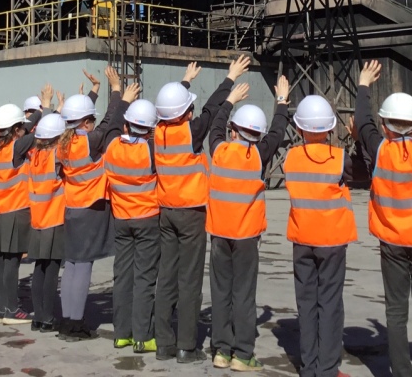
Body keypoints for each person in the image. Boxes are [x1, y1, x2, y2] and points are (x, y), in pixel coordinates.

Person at [352, 53, 412, 377]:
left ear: (384, 126)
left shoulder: (380, 151)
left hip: (392, 243)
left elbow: (362, 122)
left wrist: (363, 85)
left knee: (395, 312)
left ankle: (402, 372)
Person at [153, 56, 246, 363]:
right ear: (185, 113)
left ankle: (164, 344)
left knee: (166, 276)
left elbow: (174, 108)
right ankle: (186, 346)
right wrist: (230, 79)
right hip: (191, 213)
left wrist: (185, 81)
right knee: (189, 280)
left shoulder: (158, 132)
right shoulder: (190, 132)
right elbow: (211, 109)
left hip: (166, 211)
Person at [207, 76, 290, 372]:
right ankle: (243, 355)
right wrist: (282, 101)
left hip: (219, 234)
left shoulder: (218, 150)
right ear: (258, 135)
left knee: (221, 293)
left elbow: (215, 128)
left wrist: (229, 100)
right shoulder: (258, 155)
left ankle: (220, 350)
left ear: (233, 130)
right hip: (246, 238)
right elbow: (278, 132)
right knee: (243, 294)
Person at [56, 69, 134, 341]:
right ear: (86, 122)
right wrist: (118, 93)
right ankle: (76, 323)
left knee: (72, 265)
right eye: (91, 120)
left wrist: (105, 91)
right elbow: (111, 122)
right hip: (90, 209)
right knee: (83, 267)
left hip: (72, 209)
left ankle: (67, 319)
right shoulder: (88, 142)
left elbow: (102, 123)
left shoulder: (62, 144)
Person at [283, 94, 358, 377]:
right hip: (332, 241)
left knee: (306, 304)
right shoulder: (339, 159)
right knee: (329, 304)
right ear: (330, 128)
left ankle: (308, 367)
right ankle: (327, 369)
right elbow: (360, 172)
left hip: (302, 240)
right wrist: (356, 139)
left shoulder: (290, 158)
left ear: (298, 128)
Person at [104, 98, 161, 354]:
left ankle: (122, 334)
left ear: (126, 125)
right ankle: (143, 336)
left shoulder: (112, 146)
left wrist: (121, 96)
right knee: (144, 278)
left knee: (123, 277)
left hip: (121, 218)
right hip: (147, 218)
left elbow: (112, 125)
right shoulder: (150, 150)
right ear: (149, 130)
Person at [0, 103, 35, 324]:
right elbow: (35, 133)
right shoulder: (15, 147)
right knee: (11, 264)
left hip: (0, 211)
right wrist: (45, 109)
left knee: (0, 262)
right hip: (16, 211)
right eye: (21, 128)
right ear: (16, 130)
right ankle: (12, 310)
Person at [28, 112, 67, 332]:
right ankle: (48, 318)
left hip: (38, 219)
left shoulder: (34, 154)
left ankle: (38, 316)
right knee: (51, 271)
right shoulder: (56, 155)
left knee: (39, 269)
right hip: (54, 217)